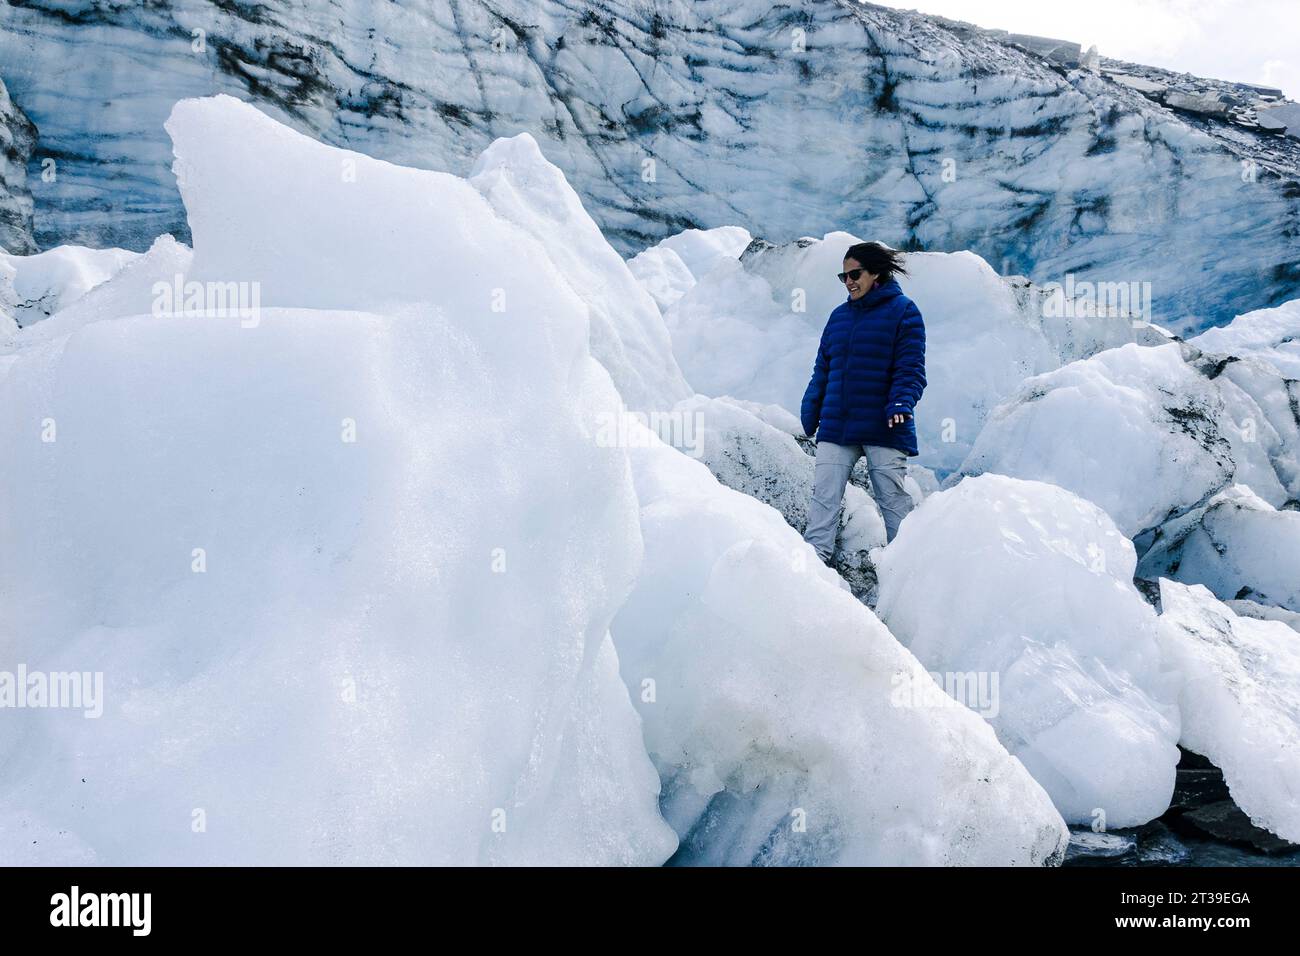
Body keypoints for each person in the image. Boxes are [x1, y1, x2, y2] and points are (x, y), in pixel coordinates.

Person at [800, 241, 926, 562]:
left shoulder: (904, 312)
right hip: (837, 424)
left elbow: (910, 369)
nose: (849, 282)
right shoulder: (839, 317)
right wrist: (811, 407)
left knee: (894, 504)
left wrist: (900, 403)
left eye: (855, 274)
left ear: (876, 273)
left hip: (884, 424)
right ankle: (813, 576)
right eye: (843, 277)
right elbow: (823, 370)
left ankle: (905, 575)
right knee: (823, 503)